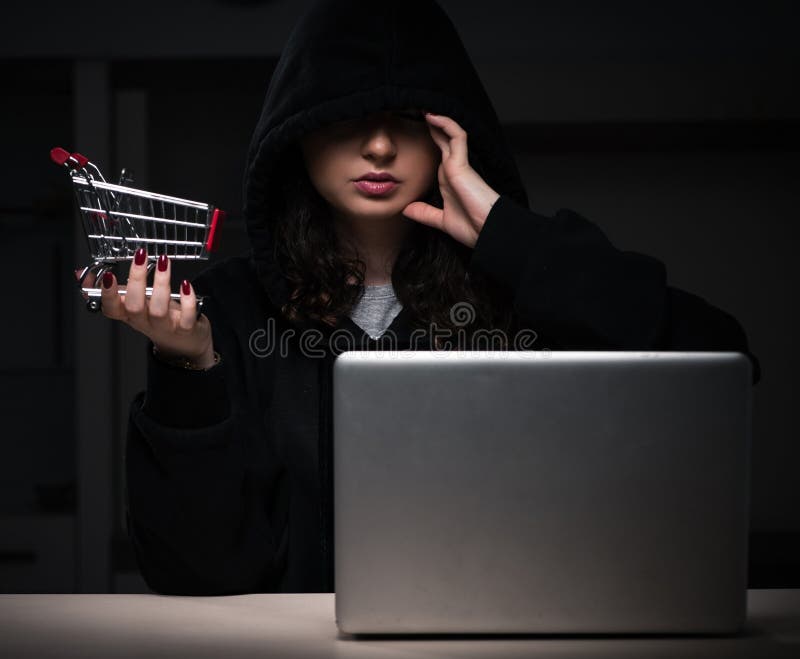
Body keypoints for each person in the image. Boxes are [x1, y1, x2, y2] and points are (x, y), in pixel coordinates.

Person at [85, 0, 761, 595]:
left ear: (451, 135)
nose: (378, 145)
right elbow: (196, 573)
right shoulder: (224, 308)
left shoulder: (521, 288)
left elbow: (724, 350)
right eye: (347, 116)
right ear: (297, 135)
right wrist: (187, 370)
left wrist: (512, 239)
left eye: (409, 120)